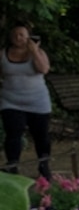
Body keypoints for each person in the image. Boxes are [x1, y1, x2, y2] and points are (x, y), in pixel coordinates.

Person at [1, 24, 50, 179]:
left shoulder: (39, 52)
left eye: (22, 34)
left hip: (37, 101)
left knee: (41, 135)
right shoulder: (3, 54)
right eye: (15, 34)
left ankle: (44, 165)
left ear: (28, 37)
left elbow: (43, 69)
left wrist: (34, 51)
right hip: (11, 101)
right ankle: (13, 165)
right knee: (13, 133)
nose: (18, 37)